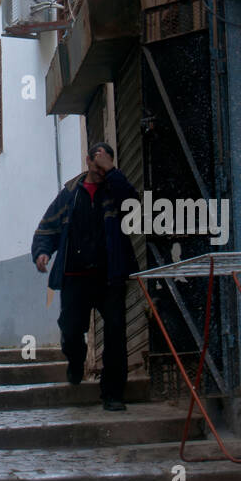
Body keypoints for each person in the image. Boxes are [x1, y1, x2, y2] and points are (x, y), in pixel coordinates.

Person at [31, 141, 138, 411]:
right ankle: (76, 361)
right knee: (70, 329)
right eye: (98, 165)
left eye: (107, 166)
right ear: (88, 161)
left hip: (110, 275)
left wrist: (112, 172)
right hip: (75, 276)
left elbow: (136, 210)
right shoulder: (70, 193)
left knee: (115, 333)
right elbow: (48, 227)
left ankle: (113, 394)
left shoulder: (116, 189)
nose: (101, 171)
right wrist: (42, 252)